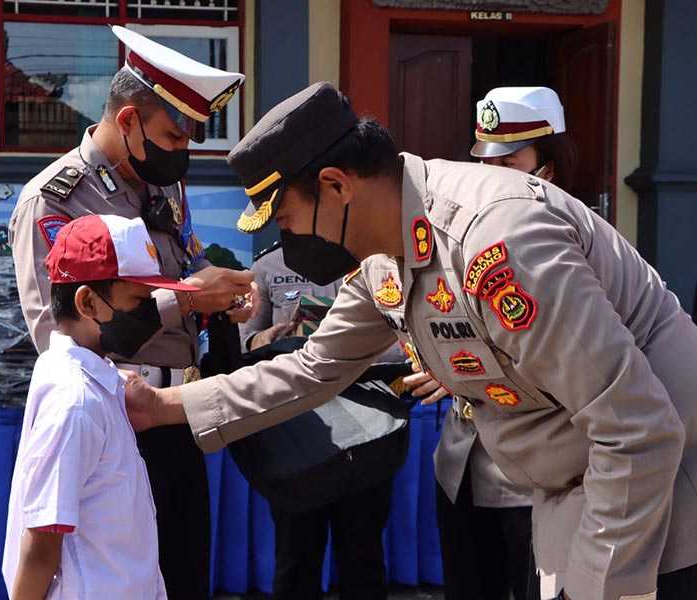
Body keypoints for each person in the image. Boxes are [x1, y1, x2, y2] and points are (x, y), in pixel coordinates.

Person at [124, 82, 697, 600]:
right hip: (573, 492)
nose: (288, 239)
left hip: (661, 503)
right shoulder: (385, 256)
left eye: (288, 219)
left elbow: (637, 430)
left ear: (335, 185)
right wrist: (163, 406)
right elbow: (313, 369)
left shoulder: (496, 241)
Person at [8, 26, 254, 599]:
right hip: (113, 424)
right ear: (127, 121)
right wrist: (190, 298)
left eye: (189, 138)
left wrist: (225, 304)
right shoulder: (56, 200)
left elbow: (185, 268)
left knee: (184, 579)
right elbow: (59, 335)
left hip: (176, 414)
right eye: (173, 135)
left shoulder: (160, 187)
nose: (182, 153)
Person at [406, 86, 576, 600]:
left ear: (548, 166)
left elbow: (571, 358)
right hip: (462, 463)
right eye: (486, 158)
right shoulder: (457, 236)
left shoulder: (575, 240)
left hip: (541, 475)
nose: (495, 172)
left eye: (511, 159)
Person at [3, 214, 201, 599]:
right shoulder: (75, 402)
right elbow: (41, 545)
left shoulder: (96, 379)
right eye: (139, 301)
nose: (149, 315)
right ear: (88, 301)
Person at [240, 244, 393, 600]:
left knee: (363, 557)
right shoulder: (267, 265)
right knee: (295, 557)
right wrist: (276, 338)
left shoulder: (370, 259)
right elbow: (246, 342)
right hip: (298, 433)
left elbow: (404, 340)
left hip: (367, 429)